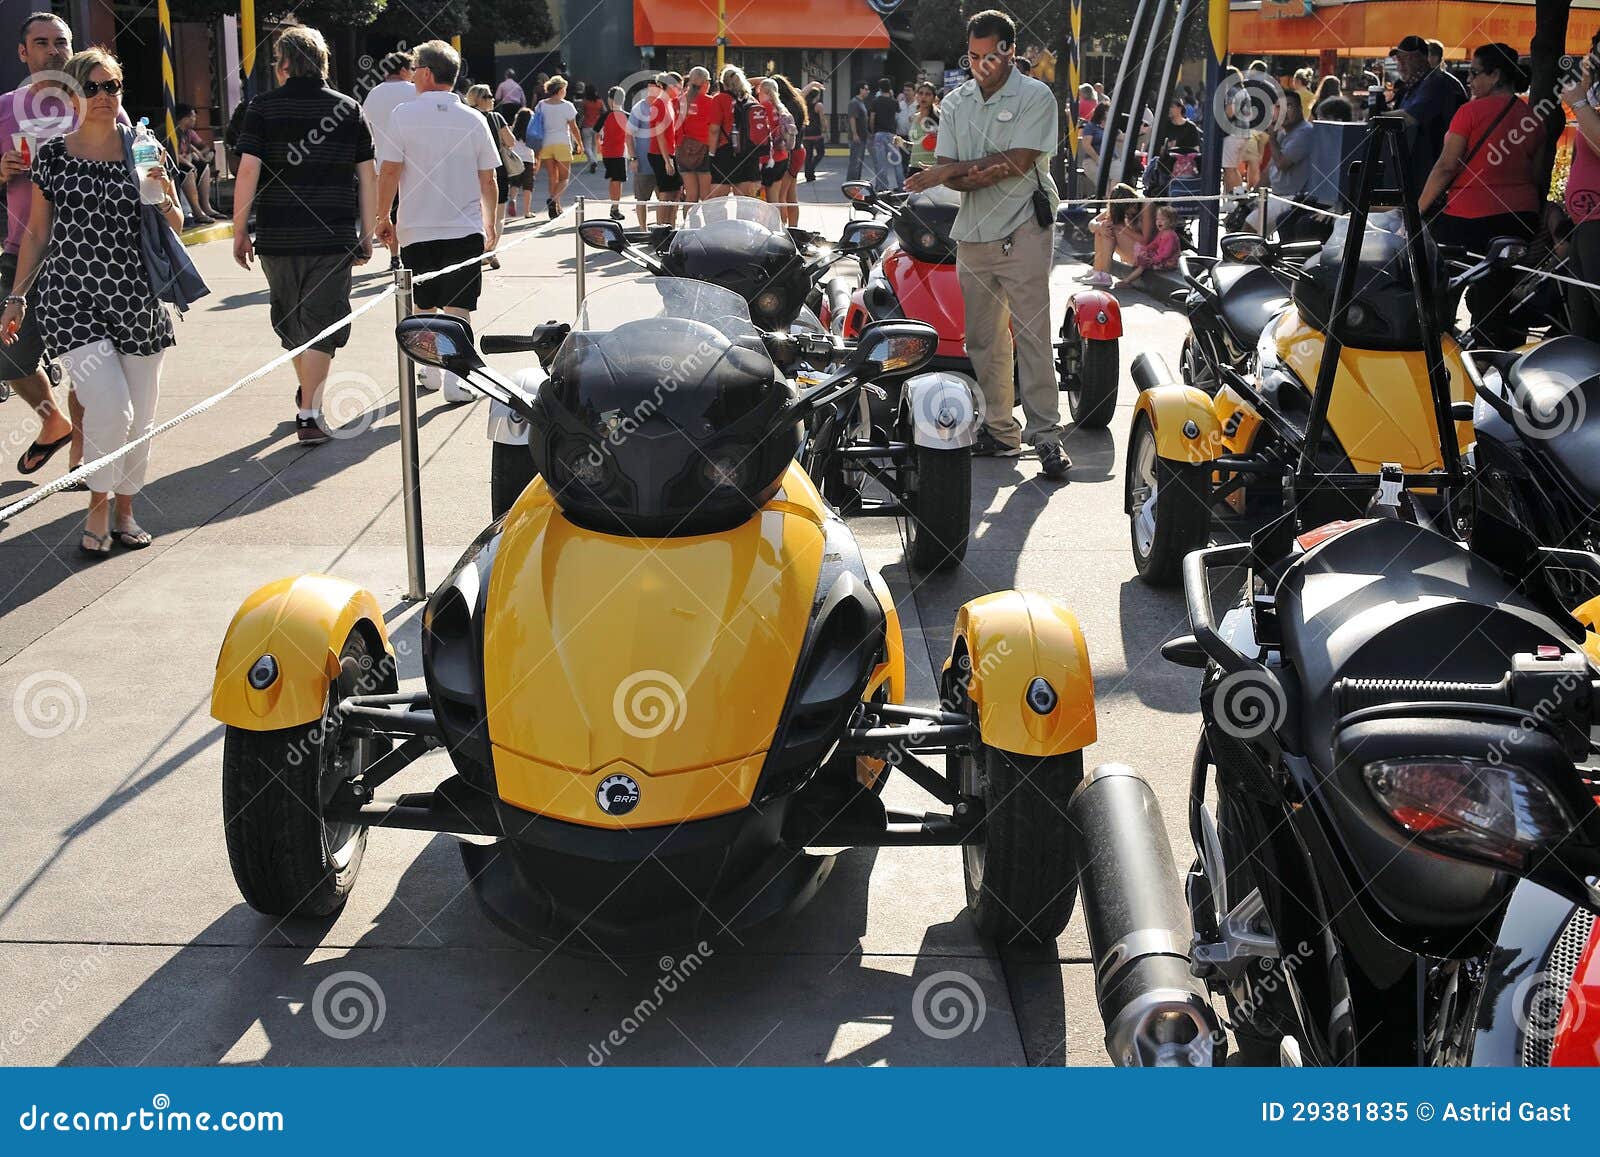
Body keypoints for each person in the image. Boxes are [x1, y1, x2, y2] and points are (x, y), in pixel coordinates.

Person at [2, 47, 180, 555]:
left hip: (137, 298)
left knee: (141, 416)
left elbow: (175, 226)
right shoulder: (54, 154)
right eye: (94, 87)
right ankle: (98, 508)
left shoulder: (142, 147)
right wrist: (16, 297)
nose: (105, 96)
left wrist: (164, 193)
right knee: (110, 405)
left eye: (113, 87)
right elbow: (37, 232)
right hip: (72, 299)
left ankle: (126, 509)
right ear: (74, 94)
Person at [904, 9, 1069, 480]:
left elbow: (1017, 164)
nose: (980, 64)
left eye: (989, 55)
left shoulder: (1037, 96)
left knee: (1033, 334)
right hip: (974, 231)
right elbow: (965, 181)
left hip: (1024, 228)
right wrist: (959, 173)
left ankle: (1047, 437)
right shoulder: (955, 102)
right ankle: (1001, 431)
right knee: (982, 339)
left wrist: (945, 172)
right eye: (972, 55)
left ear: (1009, 51)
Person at [233, 26, 375, 444]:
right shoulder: (349, 109)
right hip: (332, 236)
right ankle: (309, 408)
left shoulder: (262, 108)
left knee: (293, 321)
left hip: (278, 236)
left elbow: (247, 170)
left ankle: (308, 409)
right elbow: (366, 176)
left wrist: (240, 230)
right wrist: (365, 232)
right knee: (319, 324)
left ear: (286, 63)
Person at [374, 39, 498, 403]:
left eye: (414, 70)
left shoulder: (402, 115)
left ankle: (429, 370)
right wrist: (491, 223)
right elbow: (488, 178)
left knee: (423, 304)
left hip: (416, 227)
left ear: (426, 73)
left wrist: (384, 216)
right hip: (464, 228)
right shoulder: (474, 118)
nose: (412, 77)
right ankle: (455, 381)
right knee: (459, 306)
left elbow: (389, 172)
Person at [1420, 43, 1543, 347]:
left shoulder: (1469, 112)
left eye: (1474, 73)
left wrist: (1417, 209)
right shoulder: (1533, 117)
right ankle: (1491, 358)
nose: (1470, 81)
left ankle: (1440, 354)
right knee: (1496, 295)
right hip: (1519, 217)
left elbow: (1446, 167)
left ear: (1496, 75)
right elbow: (1537, 175)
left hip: (1468, 216)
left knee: (1443, 290)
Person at [2, 11, 77, 479]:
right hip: (20, 247)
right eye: (43, 42)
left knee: (91, 363)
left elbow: (136, 162)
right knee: (9, 354)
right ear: (23, 52)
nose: (54, 50)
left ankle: (85, 461)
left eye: (61, 42)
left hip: (87, 249)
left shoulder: (97, 98)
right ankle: (54, 423)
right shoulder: (6, 106)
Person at [359, 49, 415, 269]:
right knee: (410, 210)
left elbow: (366, 128)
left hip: (383, 163)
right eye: (412, 69)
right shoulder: (415, 92)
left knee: (388, 212)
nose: (413, 73)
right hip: (414, 164)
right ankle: (411, 252)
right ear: (402, 70)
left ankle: (394, 255)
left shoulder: (373, 94)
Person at [1393, 33, 1467, 193]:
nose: (1400, 65)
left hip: (1434, 174)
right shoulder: (1415, 85)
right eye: (1398, 60)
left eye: (1405, 59)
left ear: (1420, 59)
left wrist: (1377, 118)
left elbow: (1410, 118)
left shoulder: (1436, 82)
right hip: (1421, 173)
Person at [1561, 39, 1600, 334]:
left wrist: (1578, 102)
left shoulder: (1587, 104)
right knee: (1583, 319)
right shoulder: (1593, 99)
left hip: (1596, 224)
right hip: (1584, 222)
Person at [465, 84, 514, 267]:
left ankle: (478, 251)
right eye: (488, 96)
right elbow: (511, 141)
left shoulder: (465, 117)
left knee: (473, 212)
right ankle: (490, 250)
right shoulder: (495, 117)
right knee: (497, 214)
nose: (493, 99)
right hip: (494, 168)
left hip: (469, 170)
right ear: (478, 98)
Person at [1084, 182, 1154, 286]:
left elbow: (1146, 240)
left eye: (1132, 204)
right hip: (1133, 249)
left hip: (1148, 253)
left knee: (1111, 229)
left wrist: (1121, 227)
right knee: (1103, 227)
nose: (1133, 209)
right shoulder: (1117, 207)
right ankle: (1097, 271)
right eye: (1128, 208)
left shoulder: (1146, 205)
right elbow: (1091, 224)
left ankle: (1104, 275)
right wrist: (1099, 226)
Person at [534, 75, 581, 219]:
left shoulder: (541, 104)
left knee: (552, 177)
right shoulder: (567, 106)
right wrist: (579, 143)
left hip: (546, 143)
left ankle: (556, 207)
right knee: (564, 178)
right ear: (561, 90)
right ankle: (553, 200)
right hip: (562, 143)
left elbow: (537, 124)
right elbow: (574, 127)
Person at [711, 65, 760, 197]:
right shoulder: (751, 100)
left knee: (719, 202)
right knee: (746, 202)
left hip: (725, 152)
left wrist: (711, 153)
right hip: (749, 153)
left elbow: (714, 130)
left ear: (723, 83)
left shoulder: (719, 99)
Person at [645, 72, 682, 225]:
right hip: (659, 153)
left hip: (669, 152)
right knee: (666, 194)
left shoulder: (669, 103)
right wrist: (667, 161)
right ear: (670, 86)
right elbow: (659, 134)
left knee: (676, 192)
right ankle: (661, 229)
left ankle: (671, 226)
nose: (680, 90)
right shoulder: (659, 104)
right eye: (678, 87)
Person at [1117, 204, 1181, 290]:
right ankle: (1133, 273)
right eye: (1157, 219)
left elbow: (1166, 253)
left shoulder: (1170, 235)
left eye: (1162, 220)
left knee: (1143, 265)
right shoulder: (1162, 233)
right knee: (1143, 256)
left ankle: (1127, 281)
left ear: (1171, 222)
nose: (1159, 222)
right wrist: (1146, 249)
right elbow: (1154, 244)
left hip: (1168, 262)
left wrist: (1154, 260)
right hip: (1160, 258)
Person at [675, 66, 715, 203]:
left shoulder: (677, 102)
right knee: (706, 196)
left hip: (683, 152)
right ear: (705, 83)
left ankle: (689, 224)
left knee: (691, 196)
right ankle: (706, 225)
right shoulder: (711, 102)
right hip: (704, 151)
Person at [173, 103, 218, 224]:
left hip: (186, 161)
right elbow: (169, 153)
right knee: (189, 170)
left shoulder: (188, 133)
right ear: (184, 118)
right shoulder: (171, 130)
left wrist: (197, 154)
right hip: (174, 165)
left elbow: (204, 147)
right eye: (192, 116)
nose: (195, 119)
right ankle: (197, 211)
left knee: (203, 167)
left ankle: (206, 207)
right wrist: (188, 161)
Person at [771, 74, 807, 225]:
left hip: (790, 152)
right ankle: (793, 228)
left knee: (781, 195)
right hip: (799, 150)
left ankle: (782, 229)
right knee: (791, 195)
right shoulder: (796, 101)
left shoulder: (785, 106)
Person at [756, 78, 795, 212]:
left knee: (761, 200)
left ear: (763, 92)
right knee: (776, 199)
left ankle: (768, 227)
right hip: (782, 157)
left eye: (759, 92)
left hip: (766, 159)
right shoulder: (782, 109)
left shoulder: (761, 108)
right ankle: (779, 226)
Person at [626, 82, 658, 227]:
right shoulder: (639, 108)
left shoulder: (666, 105)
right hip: (644, 162)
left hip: (662, 163)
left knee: (665, 199)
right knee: (642, 199)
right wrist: (633, 158)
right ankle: (643, 229)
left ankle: (662, 229)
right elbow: (629, 135)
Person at [598, 85, 629, 222]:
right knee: (617, 180)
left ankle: (614, 206)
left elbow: (596, 133)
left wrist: (598, 147)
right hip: (619, 153)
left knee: (614, 179)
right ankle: (615, 208)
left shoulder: (605, 115)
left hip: (608, 152)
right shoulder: (626, 116)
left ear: (610, 99)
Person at [868, 77, 902, 192]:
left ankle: (882, 187)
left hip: (879, 134)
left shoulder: (875, 101)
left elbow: (872, 118)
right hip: (892, 135)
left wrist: (872, 132)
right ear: (890, 88)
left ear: (880, 88)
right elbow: (898, 118)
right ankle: (902, 186)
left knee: (881, 163)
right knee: (897, 162)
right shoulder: (894, 102)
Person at [507, 105, 536, 217]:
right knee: (528, 186)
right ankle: (527, 211)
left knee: (515, 183)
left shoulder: (512, 131)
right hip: (528, 159)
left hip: (515, 159)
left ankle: (512, 200)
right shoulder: (531, 133)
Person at [906, 81, 941, 173]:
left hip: (932, 168)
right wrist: (903, 143)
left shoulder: (940, 117)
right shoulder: (914, 117)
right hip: (914, 166)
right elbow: (917, 146)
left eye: (928, 94)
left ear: (934, 98)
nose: (923, 96)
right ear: (916, 96)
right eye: (920, 93)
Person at [802, 82, 825, 182]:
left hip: (806, 133)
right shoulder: (819, 105)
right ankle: (811, 169)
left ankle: (809, 175)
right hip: (816, 133)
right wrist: (825, 130)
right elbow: (822, 119)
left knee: (808, 155)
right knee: (820, 153)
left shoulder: (804, 105)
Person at [846, 82, 869, 182]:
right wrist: (855, 134)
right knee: (855, 161)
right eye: (866, 89)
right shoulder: (854, 102)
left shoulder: (861, 102)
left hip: (863, 136)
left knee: (859, 161)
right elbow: (852, 118)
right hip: (857, 136)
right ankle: (851, 182)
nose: (868, 91)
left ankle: (856, 182)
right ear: (861, 90)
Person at [580, 83, 604, 174]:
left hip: (587, 125)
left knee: (587, 147)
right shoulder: (599, 102)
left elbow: (581, 113)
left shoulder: (585, 102)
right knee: (594, 145)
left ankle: (593, 161)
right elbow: (604, 112)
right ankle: (594, 162)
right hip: (597, 126)